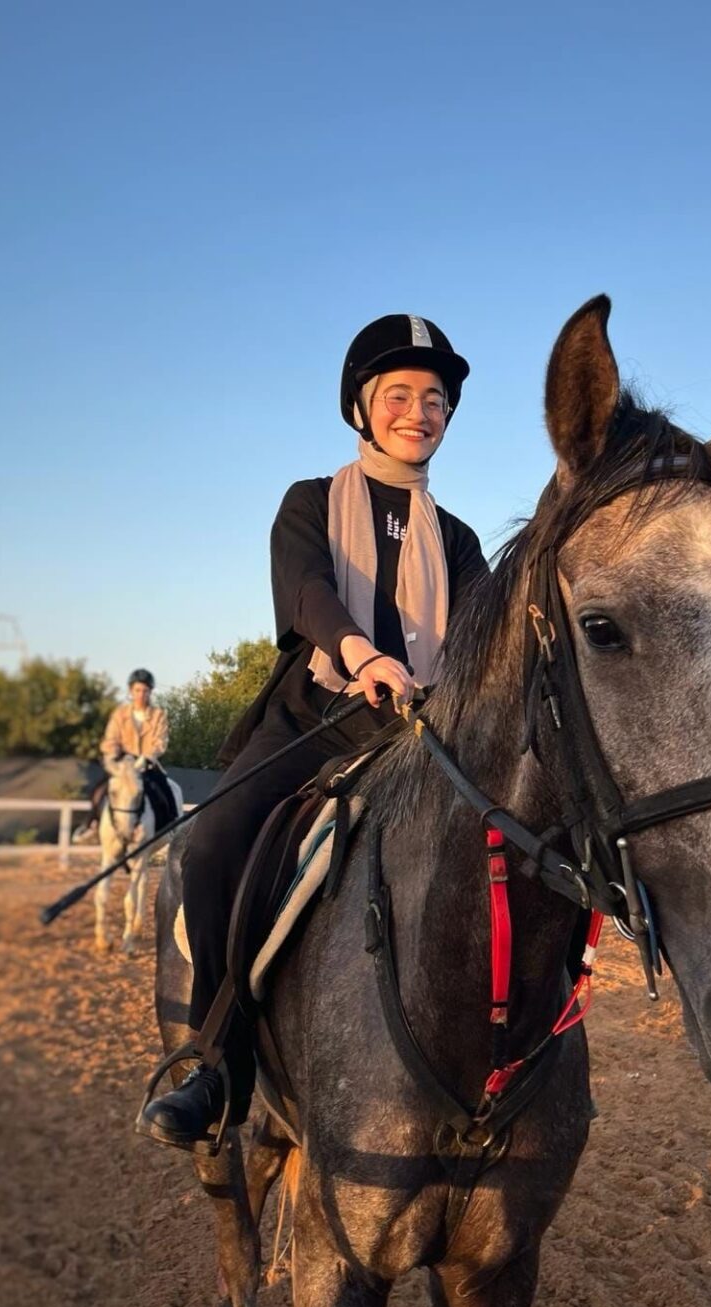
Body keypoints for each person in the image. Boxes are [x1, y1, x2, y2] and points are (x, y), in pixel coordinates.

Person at [138, 315, 488, 1149]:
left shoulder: (461, 541)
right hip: (316, 718)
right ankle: (217, 1067)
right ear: (361, 406)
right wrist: (363, 653)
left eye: (434, 399)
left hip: (420, 737)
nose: (420, 412)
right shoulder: (310, 503)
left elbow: (484, 641)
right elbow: (306, 593)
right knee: (210, 848)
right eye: (399, 394)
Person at [75, 669, 178, 840]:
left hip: (146, 764)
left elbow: (160, 742)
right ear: (131, 691)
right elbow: (111, 739)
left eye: (145, 691)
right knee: (99, 790)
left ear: (150, 692)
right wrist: (112, 757)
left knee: (165, 789)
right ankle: (91, 824)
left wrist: (147, 757)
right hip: (123, 764)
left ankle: (172, 825)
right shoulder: (120, 714)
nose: (141, 695)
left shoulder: (158, 715)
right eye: (137, 690)